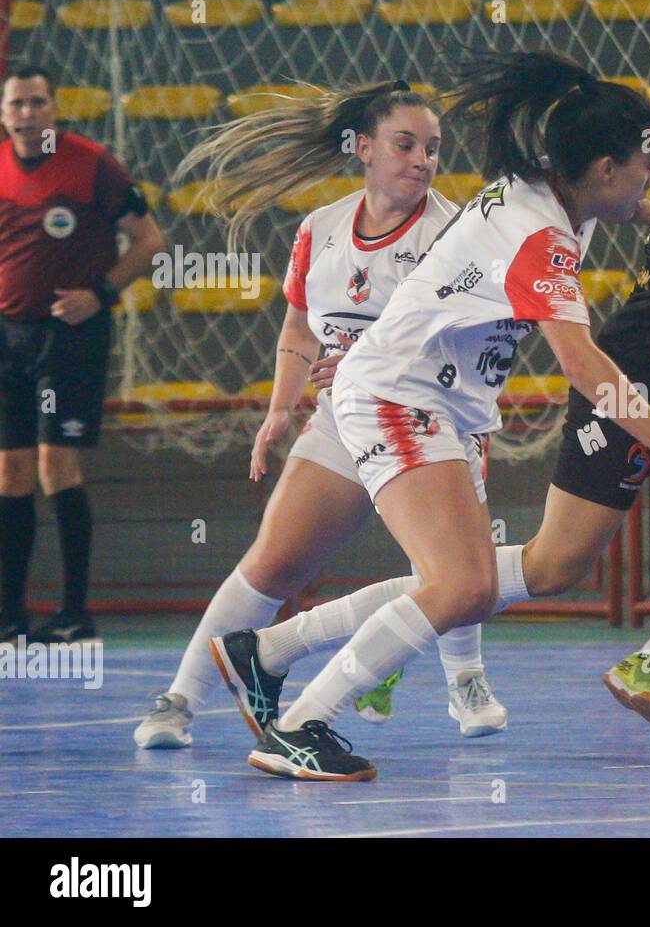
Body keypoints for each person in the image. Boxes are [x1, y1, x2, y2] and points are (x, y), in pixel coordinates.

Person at [214, 48, 650, 781]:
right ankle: (305, 722)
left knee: (464, 582)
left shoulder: (549, 183)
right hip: (400, 396)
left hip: (439, 402)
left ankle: (268, 651)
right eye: (645, 163)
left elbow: (628, 203)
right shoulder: (543, 241)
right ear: (601, 167)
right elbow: (586, 368)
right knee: (461, 586)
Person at [133, 80, 507, 749]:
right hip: (342, 419)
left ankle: (465, 677)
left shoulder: (453, 235)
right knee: (272, 563)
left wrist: (371, 356)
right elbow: (302, 330)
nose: (422, 159)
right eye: (406, 144)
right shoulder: (320, 228)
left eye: (433, 148)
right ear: (363, 148)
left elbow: (465, 337)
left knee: (455, 573)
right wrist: (279, 408)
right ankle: (178, 698)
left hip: (431, 417)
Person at [0, 62, 165, 645]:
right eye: (16, 104)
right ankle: (10, 617)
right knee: (10, 471)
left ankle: (74, 615)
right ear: (4, 113)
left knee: (55, 467)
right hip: (7, 339)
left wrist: (99, 294)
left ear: (54, 108)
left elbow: (150, 241)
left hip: (70, 339)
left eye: (37, 102)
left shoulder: (92, 163)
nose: (27, 113)